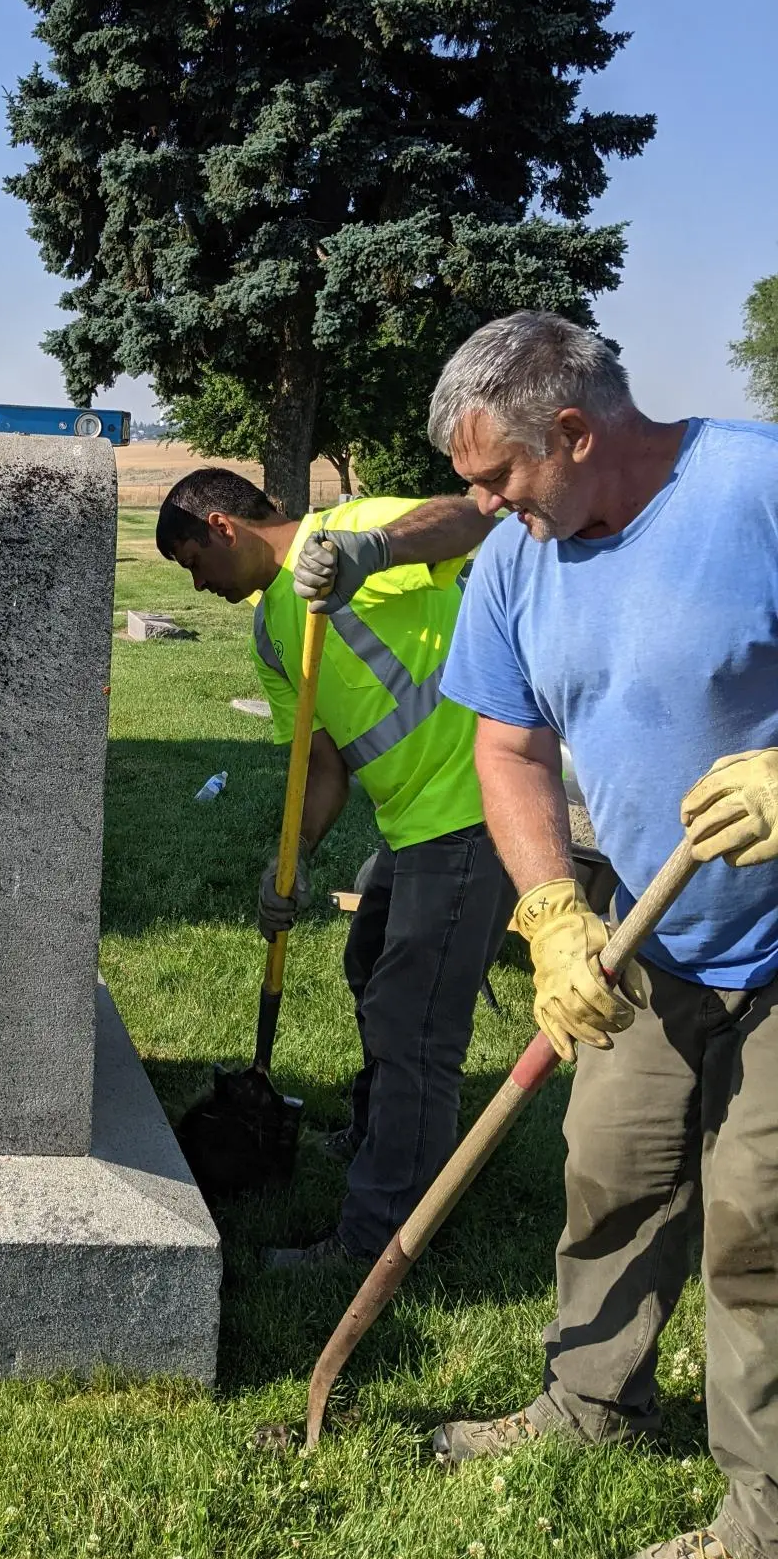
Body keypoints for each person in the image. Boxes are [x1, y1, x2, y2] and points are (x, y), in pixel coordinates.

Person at [428, 309, 778, 1559]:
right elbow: (509, 744)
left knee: (760, 1227)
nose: (483, 505)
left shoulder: (757, 491)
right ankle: (587, 1405)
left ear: (573, 432)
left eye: (497, 476)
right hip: (650, 935)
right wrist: (550, 912)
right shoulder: (518, 559)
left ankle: (764, 1530)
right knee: (611, 1175)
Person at [156, 468, 510, 1265]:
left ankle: (377, 1237)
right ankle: (379, 1127)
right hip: (412, 822)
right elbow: (322, 767)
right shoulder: (270, 634)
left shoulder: (347, 531)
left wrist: (370, 552)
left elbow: (471, 519)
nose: (199, 585)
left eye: (193, 564)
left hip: (477, 804)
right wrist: (293, 861)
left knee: (412, 1026)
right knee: (368, 960)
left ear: (221, 527)